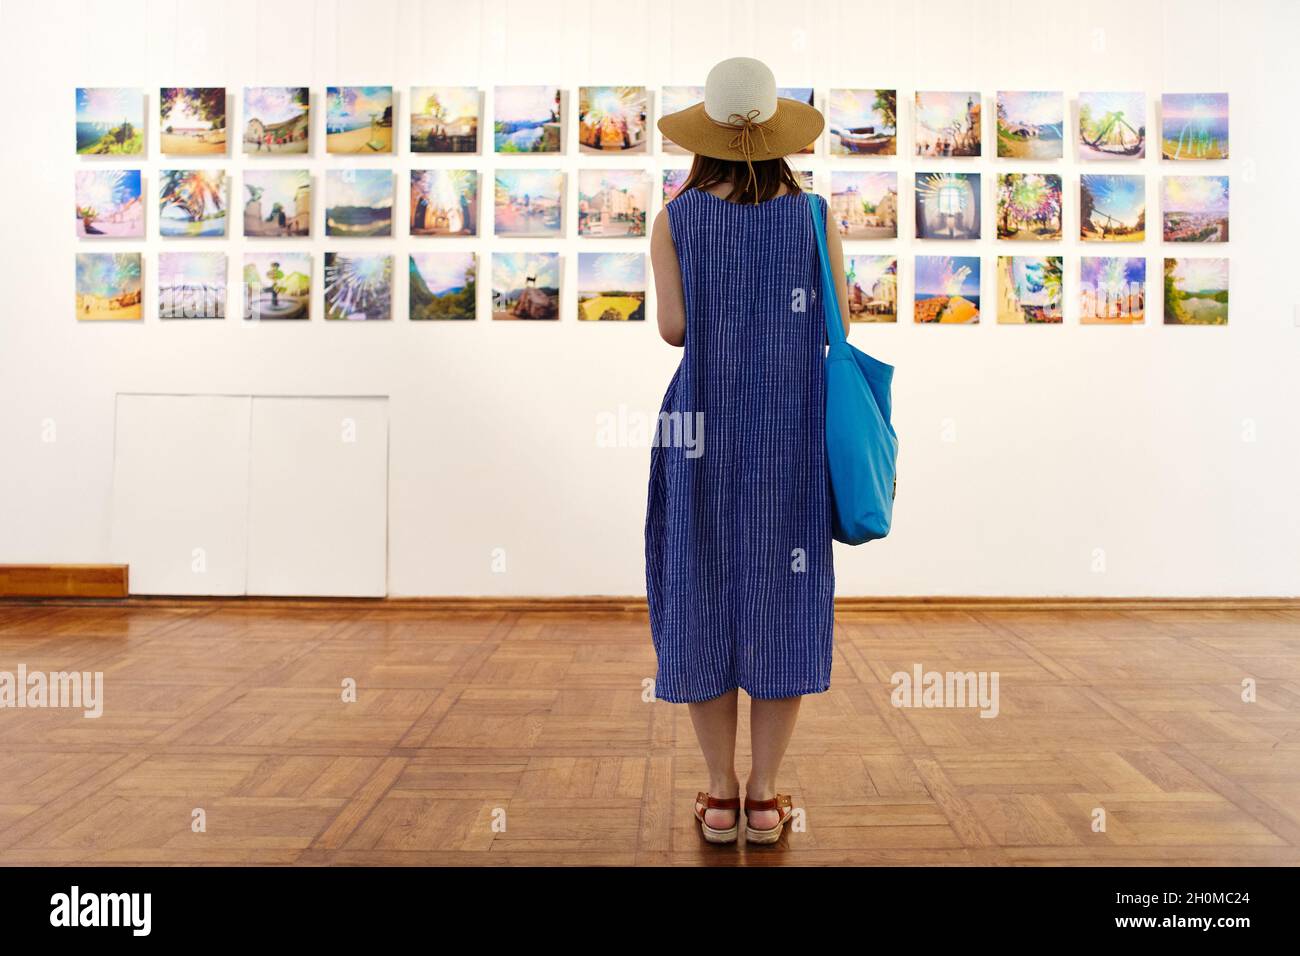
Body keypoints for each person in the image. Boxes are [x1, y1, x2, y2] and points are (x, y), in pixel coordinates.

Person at [647, 56, 851, 846]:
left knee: (700, 589)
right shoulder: (814, 217)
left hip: (697, 426)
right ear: (778, 136)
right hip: (789, 431)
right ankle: (766, 799)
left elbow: (674, 330)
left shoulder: (676, 218)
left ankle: (719, 794)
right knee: (781, 601)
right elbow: (840, 329)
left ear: (705, 134)